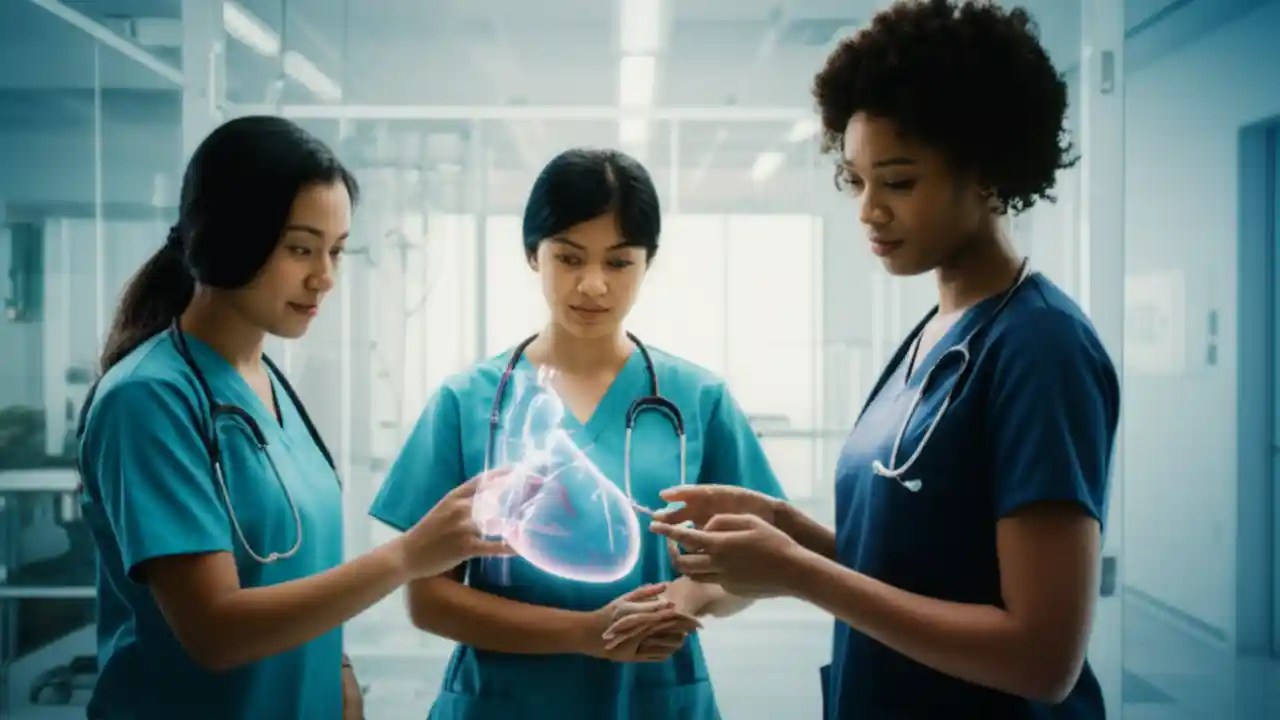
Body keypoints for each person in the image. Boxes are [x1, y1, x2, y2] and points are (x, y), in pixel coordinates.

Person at [649, 2, 1120, 718]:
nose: (869, 209)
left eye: (898, 182)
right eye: (855, 181)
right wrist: (786, 527)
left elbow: (1042, 657)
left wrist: (800, 574)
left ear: (987, 171)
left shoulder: (1039, 348)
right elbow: (925, 565)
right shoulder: (938, 332)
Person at [76, 115, 511, 720]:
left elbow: (303, 575)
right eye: (300, 249)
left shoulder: (270, 383)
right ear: (227, 237)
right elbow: (216, 631)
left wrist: (341, 680)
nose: (324, 278)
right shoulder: (148, 399)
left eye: (336, 251)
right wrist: (408, 557)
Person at [369, 147, 788, 719]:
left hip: (653, 695)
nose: (592, 285)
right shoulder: (467, 403)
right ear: (532, 255)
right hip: (505, 701)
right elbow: (429, 600)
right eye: (569, 258)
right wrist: (584, 633)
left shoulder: (699, 400)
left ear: (648, 262)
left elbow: (753, 571)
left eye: (619, 263)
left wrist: (686, 598)